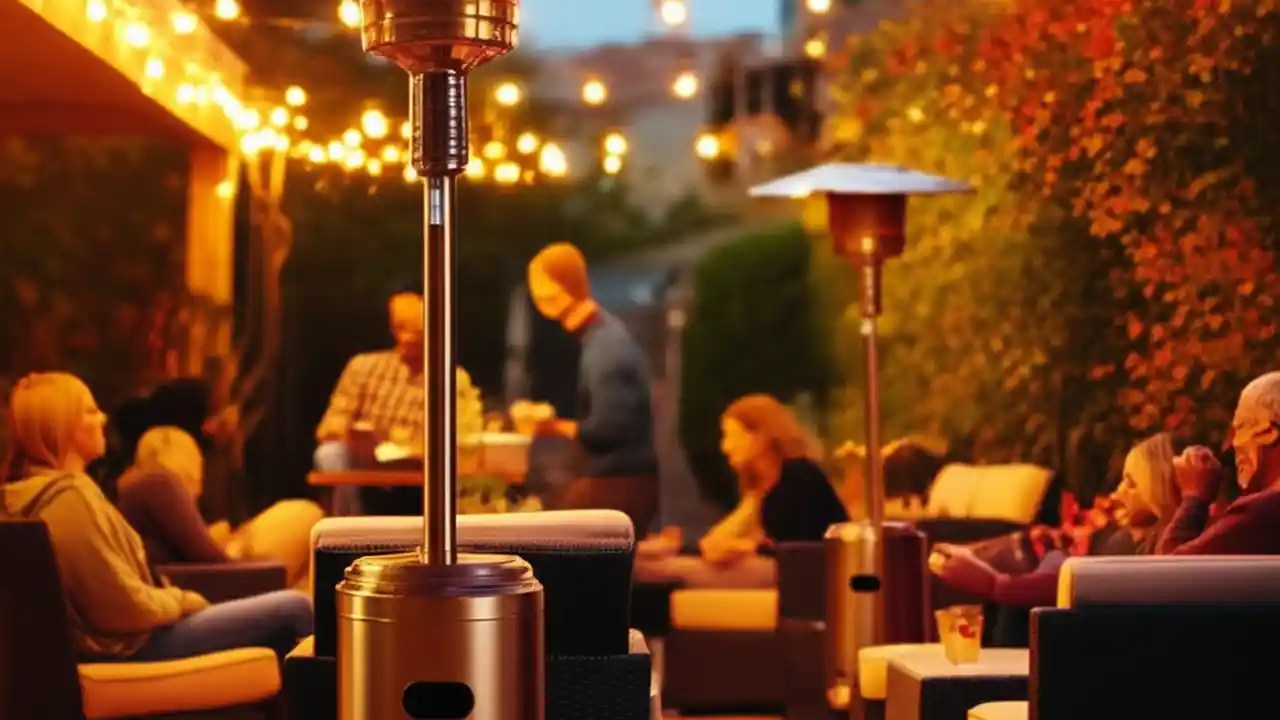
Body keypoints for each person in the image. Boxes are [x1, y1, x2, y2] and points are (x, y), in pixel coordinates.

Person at [0, 372, 312, 661]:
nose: (103, 418)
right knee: (295, 606)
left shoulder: (31, 495)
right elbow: (120, 607)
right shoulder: (68, 497)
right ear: (62, 426)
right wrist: (182, 601)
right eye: (90, 411)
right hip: (137, 645)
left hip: (135, 635)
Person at [931, 433, 1181, 607]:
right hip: (1037, 557)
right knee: (935, 553)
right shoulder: (1124, 535)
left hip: (1031, 580)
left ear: (1158, 492)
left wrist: (994, 585)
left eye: (1132, 484)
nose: (1118, 492)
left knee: (934, 567)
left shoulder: (1139, 549)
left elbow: (1069, 585)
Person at [527, 242, 659, 538]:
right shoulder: (598, 338)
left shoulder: (606, 346)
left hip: (620, 483)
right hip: (619, 479)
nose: (536, 295)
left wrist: (552, 426)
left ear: (560, 286)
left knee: (550, 535)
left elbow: (607, 429)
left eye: (539, 284)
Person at [116, 426, 323, 588]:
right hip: (193, 595)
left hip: (184, 591)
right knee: (303, 516)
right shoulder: (158, 483)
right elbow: (215, 562)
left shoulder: (138, 490)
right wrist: (239, 551)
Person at [314, 283, 425, 516]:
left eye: (417, 329)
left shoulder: (450, 378)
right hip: (365, 460)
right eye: (401, 327)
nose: (409, 336)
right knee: (330, 454)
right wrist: (357, 437)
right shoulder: (364, 367)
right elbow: (331, 425)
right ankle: (350, 528)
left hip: (420, 463)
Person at [699, 394, 848, 563]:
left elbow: (798, 548)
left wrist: (742, 548)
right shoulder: (759, 489)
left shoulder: (798, 475)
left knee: (680, 569)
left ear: (760, 437)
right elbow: (716, 541)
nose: (725, 447)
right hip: (783, 569)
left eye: (732, 436)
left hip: (818, 571)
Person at [1158, 370, 1280, 554]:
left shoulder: (1263, 513)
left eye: (1240, 428)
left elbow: (1168, 568)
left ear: (1268, 432)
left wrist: (1194, 498)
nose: (1230, 445)